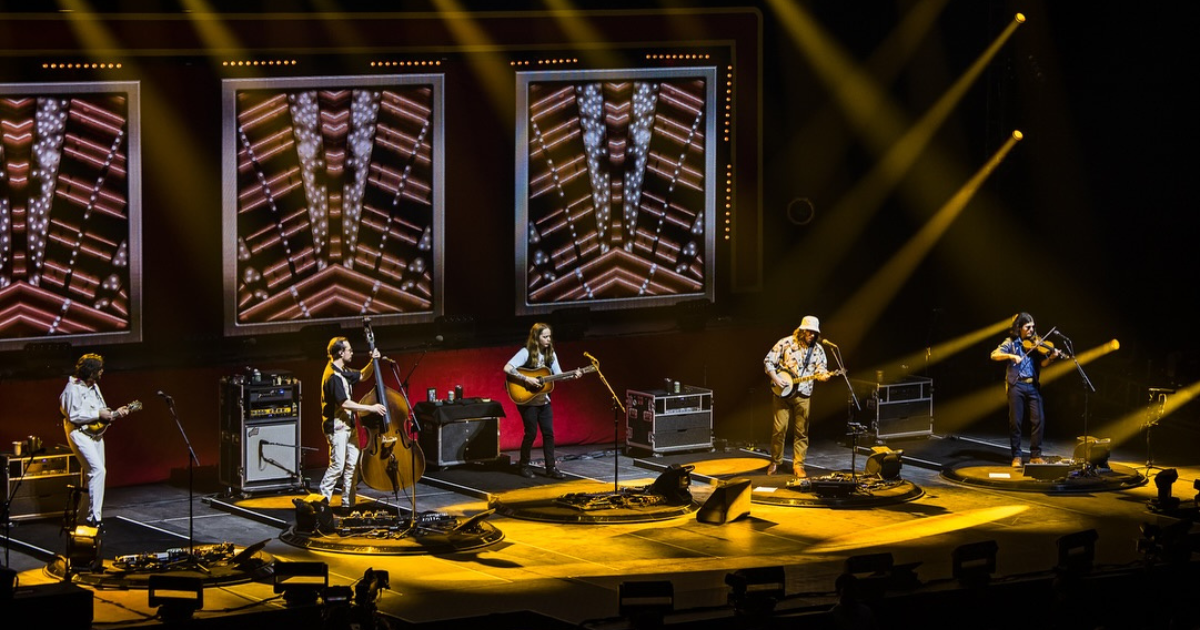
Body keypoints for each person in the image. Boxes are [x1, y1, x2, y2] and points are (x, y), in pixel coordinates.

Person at [61, 353, 130, 528]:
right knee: (98, 471)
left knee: (91, 477)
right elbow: (74, 415)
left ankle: (82, 519)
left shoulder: (95, 387)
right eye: (99, 369)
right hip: (79, 434)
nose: (102, 372)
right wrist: (98, 414)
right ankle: (95, 519)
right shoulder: (72, 389)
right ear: (91, 371)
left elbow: (101, 411)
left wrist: (114, 413)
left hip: (96, 436)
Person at [503, 323, 581, 479]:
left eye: (549, 336)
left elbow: (558, 374)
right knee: (531, 433)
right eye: (545, 336)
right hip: (527, 401)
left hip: (544, 401)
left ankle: (551, 468)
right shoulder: (526, 352)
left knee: (548, 433)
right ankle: (523, 466)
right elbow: (508, 367)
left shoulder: (550, 354)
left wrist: (572, 375)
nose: (548, 340)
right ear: (536, 338)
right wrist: (527, 379)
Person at [990, 312, 1066, 467]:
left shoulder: (1036, 343)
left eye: (1033, 327)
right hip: (1016, 385)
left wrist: (1051, 358)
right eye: (1028, 327)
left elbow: (1042, 365)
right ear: (1020, 327)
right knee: (1015, 422)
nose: (1032, 330)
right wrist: (1011, 356)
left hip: (1032, 386)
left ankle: (1035, 456)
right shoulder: (1011, 342)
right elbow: (994, 355)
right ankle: (1016, 456)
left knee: (1039, 419)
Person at [320, 336, 387, 508]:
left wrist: (374, 361)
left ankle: (347, 505)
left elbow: (363, 375)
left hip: (348, 426)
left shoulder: (343, 370)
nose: (352, 352)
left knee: (352, 467)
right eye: (349, 350)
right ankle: (321, 505)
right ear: (341, 352)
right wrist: (370, 408)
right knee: (337, 467)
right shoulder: (332, 376)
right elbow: (345, 403)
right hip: (337, 427)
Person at [763, 316, 831, 477]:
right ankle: (775, 461)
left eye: (815, 333)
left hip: (804, 393)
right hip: (782, 393)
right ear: (802, 331)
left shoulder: (818, 349)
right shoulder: (785, 343)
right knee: (779, 429)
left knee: (802, 431)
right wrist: (776, 378)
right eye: (809, 332)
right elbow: (768, 361)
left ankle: (798, 465)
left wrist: (824, 376)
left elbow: (821, 370)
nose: (812, 335)